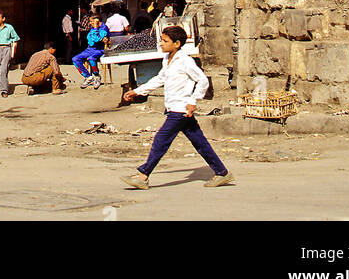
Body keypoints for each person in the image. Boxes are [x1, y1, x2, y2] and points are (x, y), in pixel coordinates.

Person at [123, 26, 233, 189]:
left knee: (161, 139)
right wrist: (137, 91)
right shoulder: (167, 58)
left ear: (177, 43)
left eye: (165, 41)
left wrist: (193, 101)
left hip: (181, 109)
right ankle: (222, 173)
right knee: (200, 142)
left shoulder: (185, 61)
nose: (161, 43)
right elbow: (160, 79)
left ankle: (143, 176)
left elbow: (202, 80)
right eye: (161, 39)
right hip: (175, 107)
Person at [73, 16, 109, 88]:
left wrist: (96, 28)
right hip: (89, 49)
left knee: (91, 58)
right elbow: (89, 38)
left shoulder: (104, 28)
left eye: (92, 21)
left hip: (99, 49)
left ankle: (96, 76)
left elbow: (96, 39)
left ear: (97, 21)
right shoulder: (93, 28)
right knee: (75, 59)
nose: (90, 23)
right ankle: (89, 77)